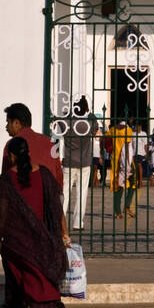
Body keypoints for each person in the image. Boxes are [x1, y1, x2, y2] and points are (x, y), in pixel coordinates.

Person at [0, 136, 68, 308]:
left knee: (16, 283)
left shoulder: (7, 178)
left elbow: (2, 211)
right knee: (40, 286)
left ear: (12, 155)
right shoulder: (44, 174)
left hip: (15, 243)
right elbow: (56, 207)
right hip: (41, 242)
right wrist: (61, 234)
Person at [2, 103, 64, 194]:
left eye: (8, 122)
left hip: (24, 199)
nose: (6, 127)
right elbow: (59, 176)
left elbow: (6, 179)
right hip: (50, 197)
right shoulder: (49, 142)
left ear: (16, 123)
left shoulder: (11, 145)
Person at [61, 97, 97, 233]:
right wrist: (90, 112)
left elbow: (60, 117)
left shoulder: (67, 122)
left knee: (65, 193)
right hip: (84, 162)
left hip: (69, 161)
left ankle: (61, 218)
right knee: (82, 192)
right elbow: (95, 126)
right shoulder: (88, 123)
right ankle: (78, 222)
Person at [111, 122, 136, 218]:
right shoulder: (128, 130)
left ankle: (118, 211)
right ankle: (125, 207)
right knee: (131, 185)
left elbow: (104, 139)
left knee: (119, 186)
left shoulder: (113, 130)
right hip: (126, 161)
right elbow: (127, 147)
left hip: (116, 161)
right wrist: (128, 164)